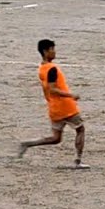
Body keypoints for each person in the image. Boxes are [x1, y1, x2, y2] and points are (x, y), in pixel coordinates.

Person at [18, 39, 88, 169]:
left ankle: (27, 144)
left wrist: (50, 101)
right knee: (80, 129)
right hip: (66, 107)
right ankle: (78, 161)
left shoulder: (42, 68)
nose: (54, 52)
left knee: (56, 138)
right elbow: (52, 89)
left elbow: (46, 90)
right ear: (45, 51)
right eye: (52, 49)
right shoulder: (52, 69)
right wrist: (71, 95)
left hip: (54, 108)